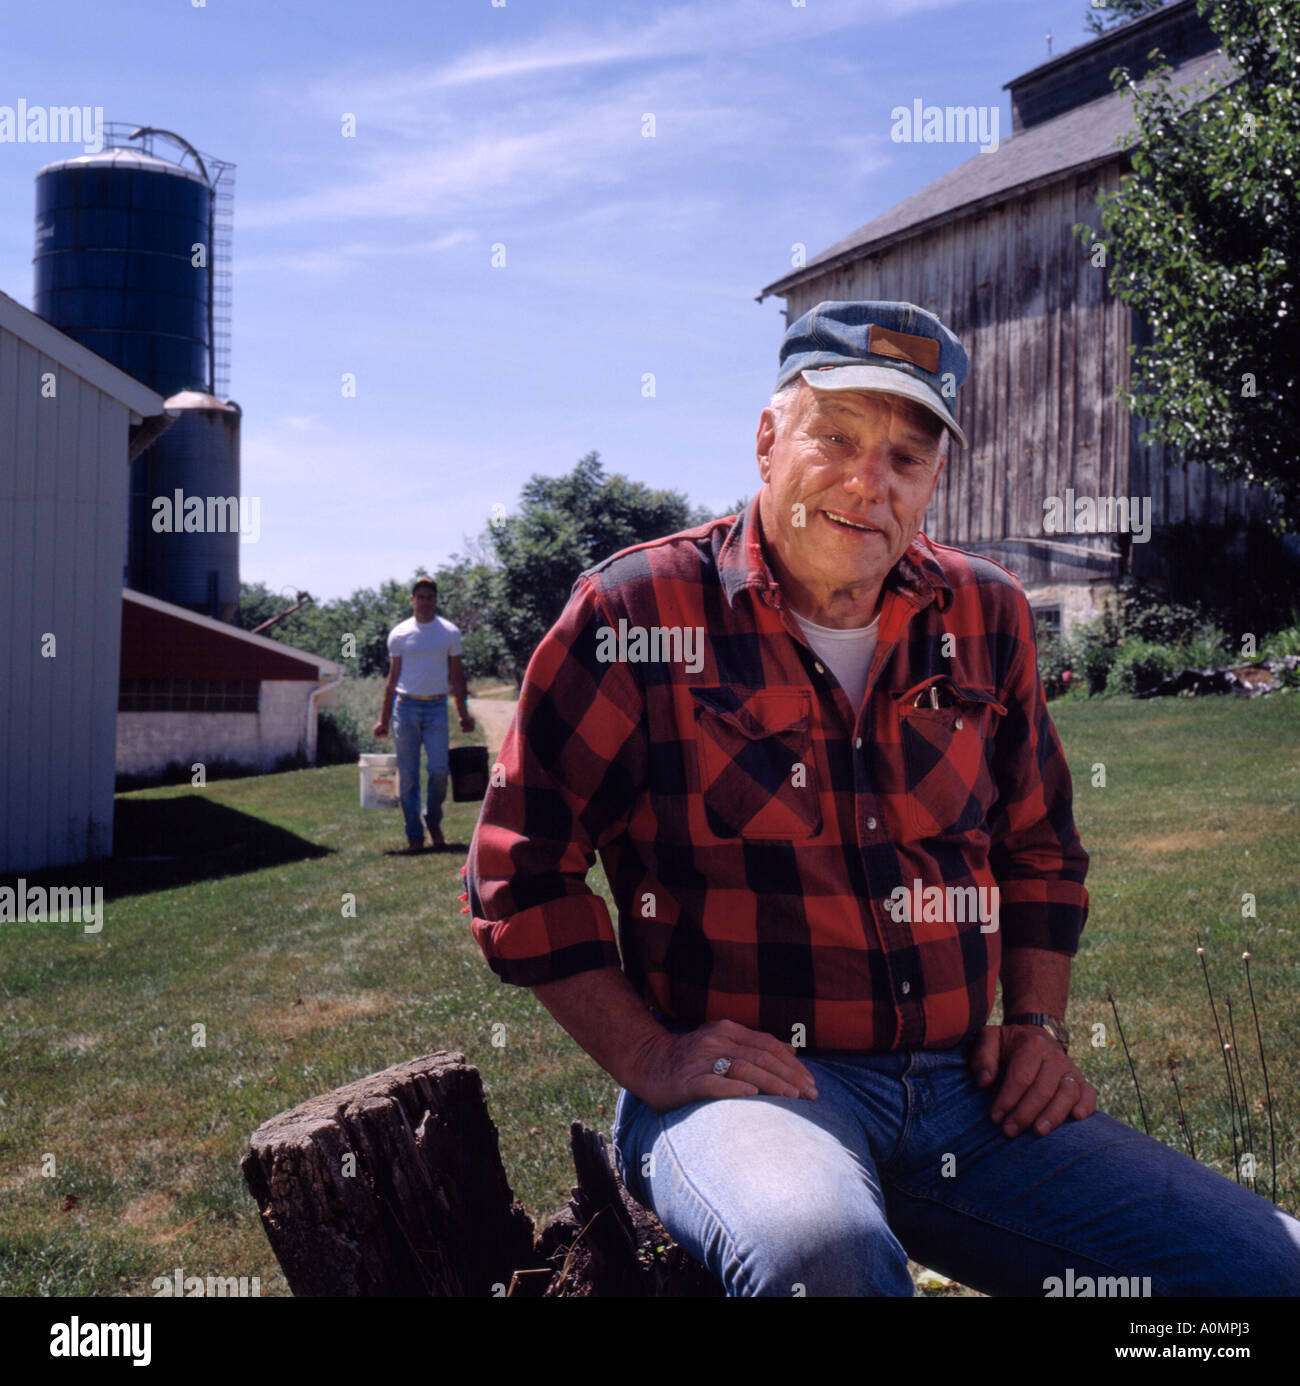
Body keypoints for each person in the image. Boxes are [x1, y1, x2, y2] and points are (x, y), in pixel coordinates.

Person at [466, 301, 1300, 1296]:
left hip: (968, 1098)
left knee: (1264, 1269)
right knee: (819, 1253)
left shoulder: (983, 613)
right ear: (768, 440)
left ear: (934, 478)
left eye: (907, 457)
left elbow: (1041, 851)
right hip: (760, 1096)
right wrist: (646, 1052)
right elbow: (521, 873)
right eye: (838, 439)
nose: (870, 484)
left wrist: (1034, 1027)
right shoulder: (634, 611)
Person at [375, 578, 474, 851]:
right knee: (408, 777)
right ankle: (414, 834)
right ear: (412, 600)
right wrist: (383, 719)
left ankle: (433, 819)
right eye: (420, 596)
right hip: (405, 709)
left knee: (440, 770)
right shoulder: (400, 634)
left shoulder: (449, 633)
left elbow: (457, 676)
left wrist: (463, 713)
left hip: (436, 708)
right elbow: (392, 679)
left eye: (430, 597)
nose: (425, 601)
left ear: (436, 600)